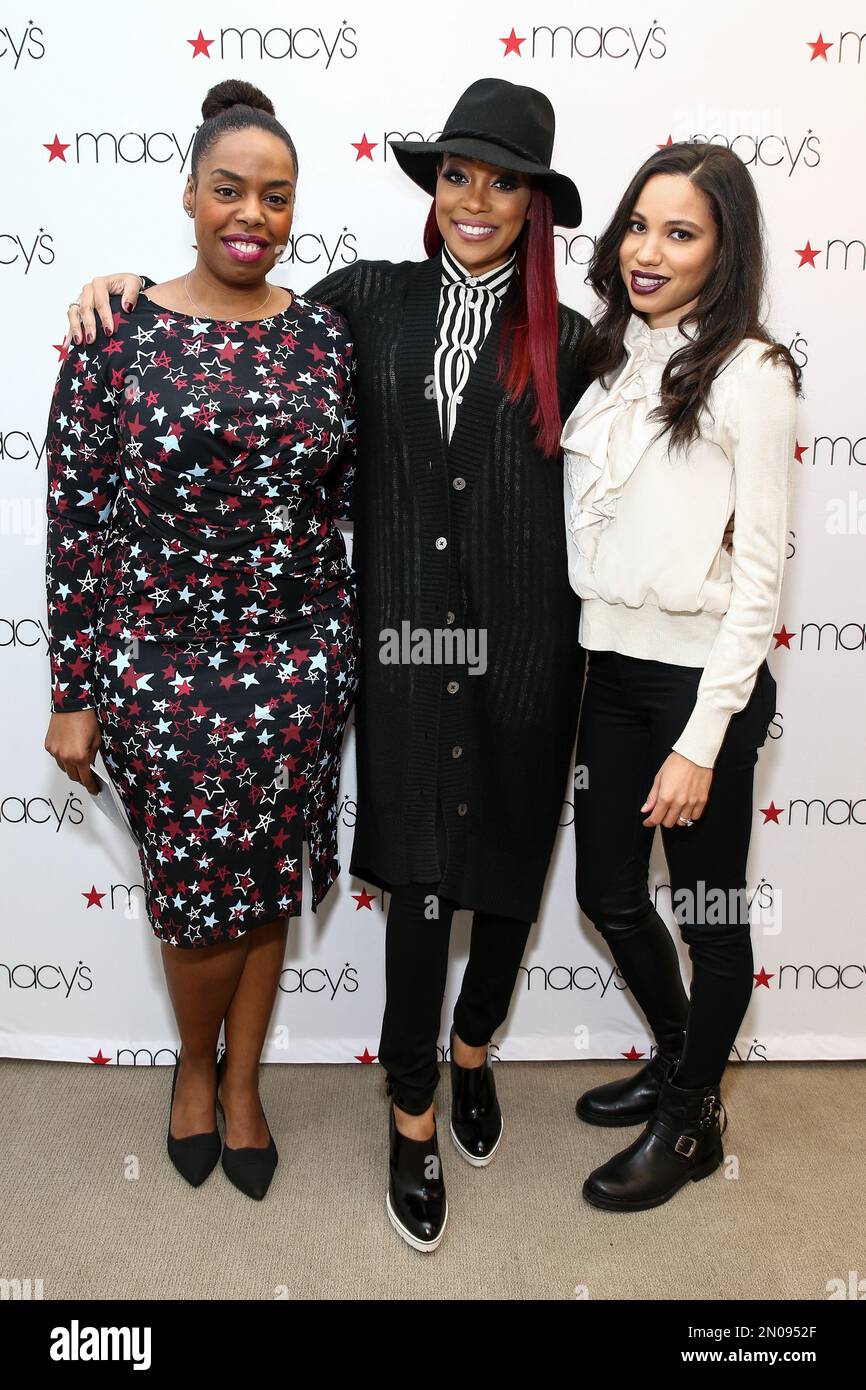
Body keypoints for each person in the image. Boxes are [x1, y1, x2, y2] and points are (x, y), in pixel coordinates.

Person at [70, 78, 589, 1251]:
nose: (474, 198)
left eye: (502, 179)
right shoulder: (362, 304)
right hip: (391, 657)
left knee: (503, 872)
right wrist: (116, 284)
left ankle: (469, 1059)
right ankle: (407, 1116)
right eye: (456, 173)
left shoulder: (575, 338)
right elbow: (226, 307)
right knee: (412, 881)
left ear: (534, 204)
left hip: (515, 660)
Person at [45, 79, 358, 1202]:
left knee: (266, 881)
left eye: (275, 197)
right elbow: (77, 519)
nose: (252, 215)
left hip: (297, 666)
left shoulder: (325, 336)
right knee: (195, 896)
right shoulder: (114, 332)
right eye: (229, 189)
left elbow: (348, 501)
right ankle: (193, 1067)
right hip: (162, 668)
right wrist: (74, 689)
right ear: (188, 195)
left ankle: (243, 1086)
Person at [561, 141, 800, 1211]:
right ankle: (676, 1060)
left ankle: (692, 1116)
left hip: (700, 682)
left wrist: (702, 737)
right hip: (609, 672)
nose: (646, 251)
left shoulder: (752, 375)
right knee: (606, 890)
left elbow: (758, 580)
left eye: (679, 232)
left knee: (708, 915)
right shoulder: (613, 358)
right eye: (637, 226)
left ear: (722, 250)